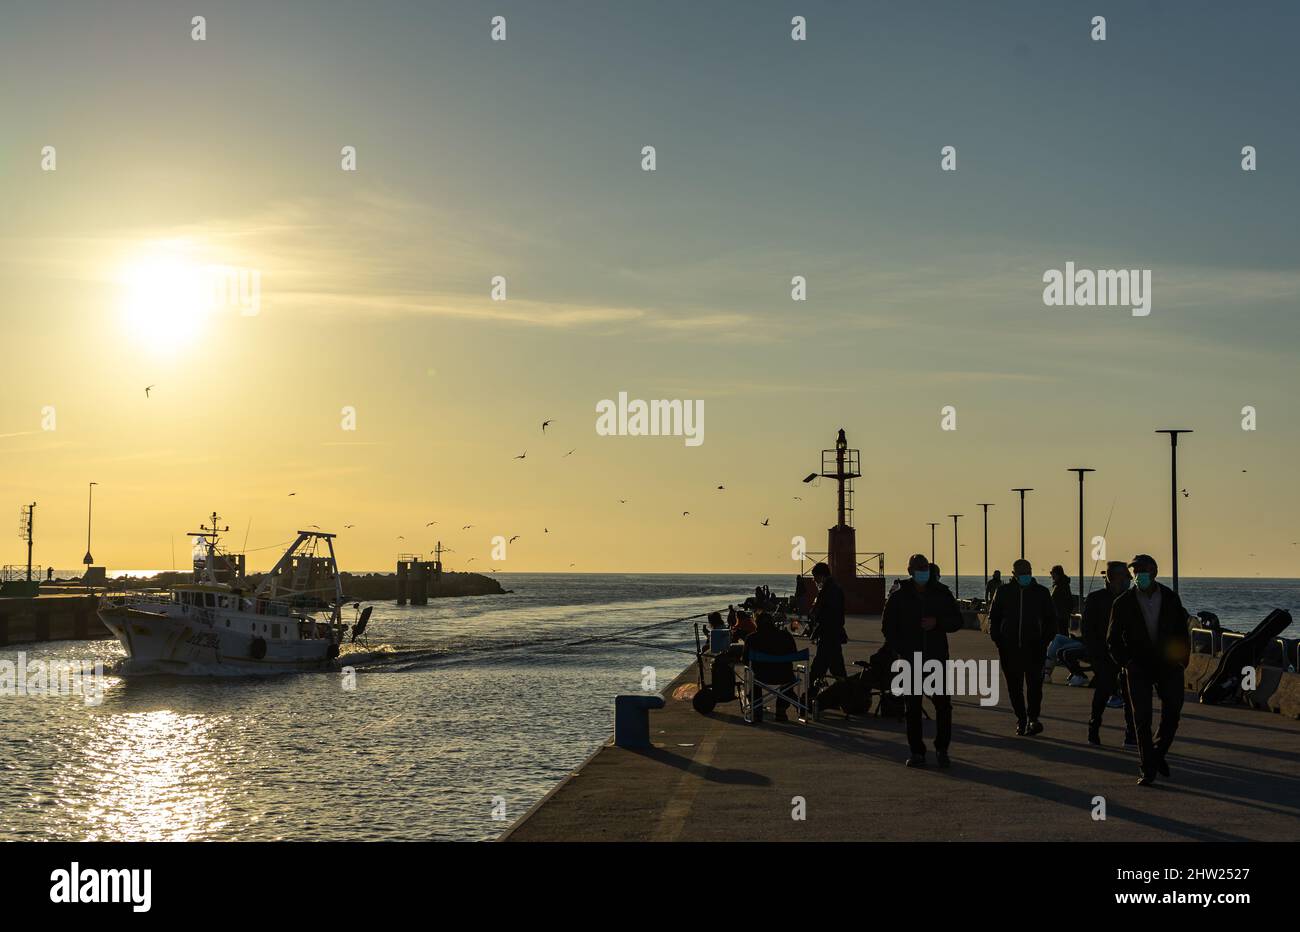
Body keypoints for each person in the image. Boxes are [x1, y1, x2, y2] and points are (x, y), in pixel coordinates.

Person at [1106, 554, 1191, 785]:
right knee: (1141, 719)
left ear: (1153, 571)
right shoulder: (1123, 602)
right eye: (1134, 571)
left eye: (1142, 570)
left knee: (1172, 714)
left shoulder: (1170, 598)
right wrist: (1126, 662)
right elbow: (1112, 639)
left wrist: (1182, 660)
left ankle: (1156, 754)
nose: (1138, 574)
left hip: (1168, 666)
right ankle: (1148, 769)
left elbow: (1181, 633)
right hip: (1138, 666)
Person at [882, 554, 963, 768]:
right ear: (909, 571)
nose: (923, 571)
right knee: (913, 708)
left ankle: (942, 749)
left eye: (925, 567)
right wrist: (902, 649)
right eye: (918, 568)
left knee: (943, 706)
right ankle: (917, 752)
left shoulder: (941, 592)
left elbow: (957, 620)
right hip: (910, 660)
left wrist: (938, 623)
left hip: (936, 658)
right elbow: (887, 627)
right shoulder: (899, 596)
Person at [988, 558, 1057, 735]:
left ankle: (1033, 719)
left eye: (1028, 571)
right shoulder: (1003, 592)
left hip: (1035, 649)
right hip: (1009, 649)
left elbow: (1051, 619)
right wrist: (998, 640)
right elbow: (993, 618)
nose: (1026, 575)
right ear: (1014, 574)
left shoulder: (1041, 593)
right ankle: (1021, 718)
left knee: (1035, 687)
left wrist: (1044, 641)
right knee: (1014, 687)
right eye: (1021, 572)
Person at [1082, 561, 1135, 745]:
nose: (1129, 579)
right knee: (1102, 694)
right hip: (1104, 656)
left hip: (1127, 656)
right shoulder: (1096, 599)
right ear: (1112, 578)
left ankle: (1131, 734)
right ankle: (1094, 727)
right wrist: (1095, 656)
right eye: (1124, 576)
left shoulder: (1132, 598)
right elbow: (1088, 630)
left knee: (1131, 697)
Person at [743, 610, 799, 722]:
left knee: (753, 677)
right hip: (784, 675)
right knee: (788, 677)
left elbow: (745, 660)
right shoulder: (785, 636)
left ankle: (757, 711)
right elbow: (793, 655)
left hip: (762, 676)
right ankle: (781, 710)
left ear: (757, 623)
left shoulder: (751, 638)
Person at [808, 562, 846, 685]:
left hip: (828, 636)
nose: (814, 580)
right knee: (837, 669)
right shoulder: (832, 589)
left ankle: (810, 697)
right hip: (831, 636)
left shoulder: (829, 590)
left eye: (815, 576)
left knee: (817, 670)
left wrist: (817, 629)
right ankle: (846, 695)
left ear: (822, 576)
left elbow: (828, 615)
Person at [1049, 565, 1075, 636]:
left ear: (1057, 574)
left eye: (1052, 573)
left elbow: (1053, 600)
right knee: (1063, 634)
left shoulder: (1059, 586)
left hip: (1060, 616)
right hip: (1063, 615)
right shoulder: (1064, 584)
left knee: (1061, 635)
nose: (1052, 576)